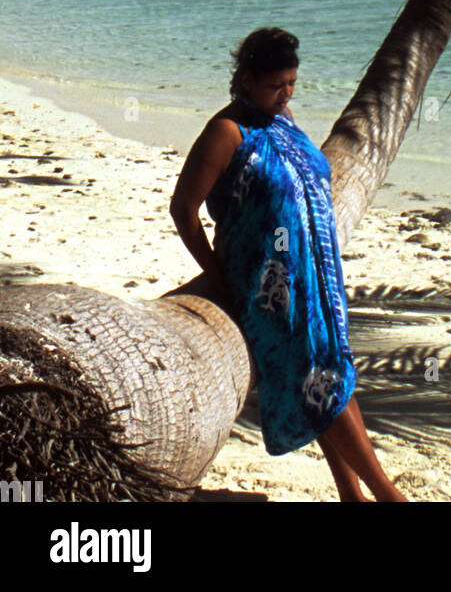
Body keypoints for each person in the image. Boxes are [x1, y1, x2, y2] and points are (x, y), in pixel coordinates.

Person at [170, 26, 408, 501]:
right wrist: (218, 274)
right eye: (275, 84)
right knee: (313, 379)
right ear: (246, 79)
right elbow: (183, 208)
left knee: (332, 374)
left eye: (292, 83)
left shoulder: (282, 118)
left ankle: (352, 496)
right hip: (268, 284)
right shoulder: (226, 132)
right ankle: (387, 495)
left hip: (315, 273)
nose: (285, 93)